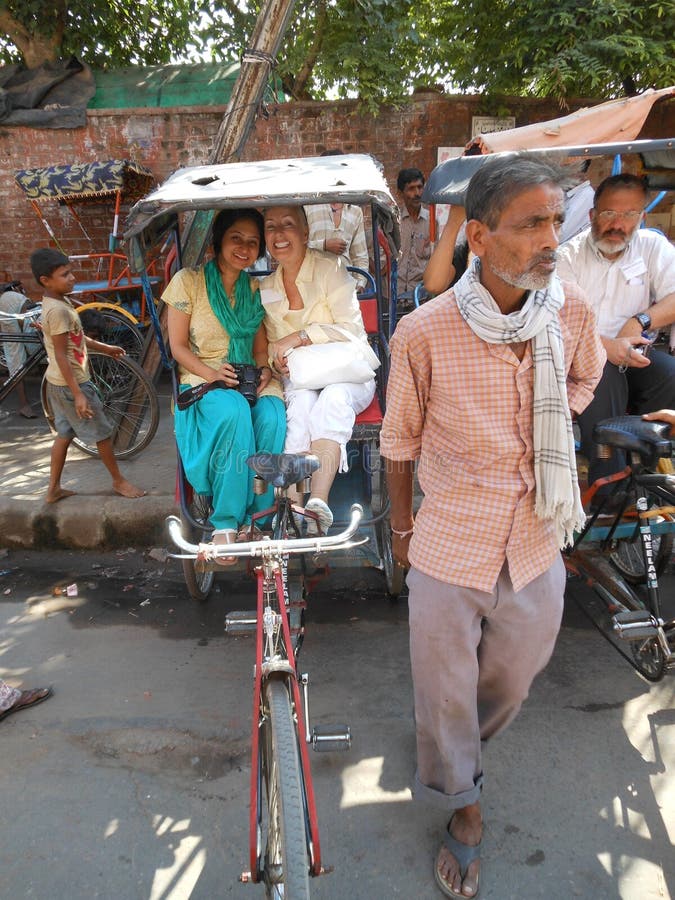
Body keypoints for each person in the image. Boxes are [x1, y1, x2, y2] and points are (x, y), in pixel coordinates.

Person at [380, 155, 605, 899]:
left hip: (536, 532)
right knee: (446, 686)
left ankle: (454, 745)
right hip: (451, 535)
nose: (551, 238)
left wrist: (556, 420)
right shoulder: (423, 332)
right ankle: (463, 805)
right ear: (478, 237)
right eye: (532, 223)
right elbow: (399, 441)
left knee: (513, 674)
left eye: (555, 220)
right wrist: (403, 533)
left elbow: (586, 375)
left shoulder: (569, 310)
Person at [163, 209, 286, 563]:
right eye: (236, 238)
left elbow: (260, 349)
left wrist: (263, 370)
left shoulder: (254, 289)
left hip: (245, 375)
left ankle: (259, 518)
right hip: (201, 378)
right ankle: (227, 520)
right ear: (218, 240)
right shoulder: (188, 281)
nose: (244, 248)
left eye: (252, 242)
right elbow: (178, 348)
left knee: (273, 414)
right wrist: (212, 373)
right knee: (233, 410)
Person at [260, 204, 375, 534]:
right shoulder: (266, 287)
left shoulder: (331, 267)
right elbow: (271, 346)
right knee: (300, 408)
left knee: (333, 399)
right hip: (302, 378)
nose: (279, 234)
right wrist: (277, 359)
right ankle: (293, 508)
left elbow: (352, 330)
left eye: (287, 224)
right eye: (270, 227)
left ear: (305, 232)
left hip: (347, 372)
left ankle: (318, 504)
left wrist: (302, 336)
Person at [556, 173, 675, 493]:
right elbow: (559, 322)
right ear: (592, 215)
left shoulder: (652, 247)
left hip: (635, 351)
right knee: (601, 375)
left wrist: (641, 320)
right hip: (581, 357)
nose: (618, 224)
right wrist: (605, 346)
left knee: (669, 374)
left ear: (642, 216)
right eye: (609, 213)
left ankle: (645, 472)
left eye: (629, 214)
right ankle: (608, 488)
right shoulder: (568, 257)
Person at [30, 249, 145, 505]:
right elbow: (62, 355)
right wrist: (79, 394)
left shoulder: (56, 303)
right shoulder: (58, 311)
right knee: (101, 434)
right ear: (45, 280)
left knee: (64, 435)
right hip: (72, 385)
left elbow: (75, 339)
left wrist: (105, 348)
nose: (72, 278)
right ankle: (118, 481)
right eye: (65, 275)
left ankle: (53, 489)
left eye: (70, 272)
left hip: (58, 385)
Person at [305, 150, 370, 290]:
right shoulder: (308, 206)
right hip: (313, 285)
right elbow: (297, 247)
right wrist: (323, 245)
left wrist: (360, 284)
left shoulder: (355, 211)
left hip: (345, 285)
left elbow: (360, 256)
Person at [0, 284, 38, 418]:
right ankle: (23, 405)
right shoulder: (9, 299)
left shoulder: (8, 298)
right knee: (17, 358)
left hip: (23, 315)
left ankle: (24, 404)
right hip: (19, 315)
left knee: (18, 357)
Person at [396, 167, 431, 303]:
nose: (417, 193)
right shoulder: (393, 221)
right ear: (401, 193)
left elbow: (434, 258)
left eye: (420, 187)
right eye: (411, 189)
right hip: (394, 296)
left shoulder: (432, 221)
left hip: (421, 297)